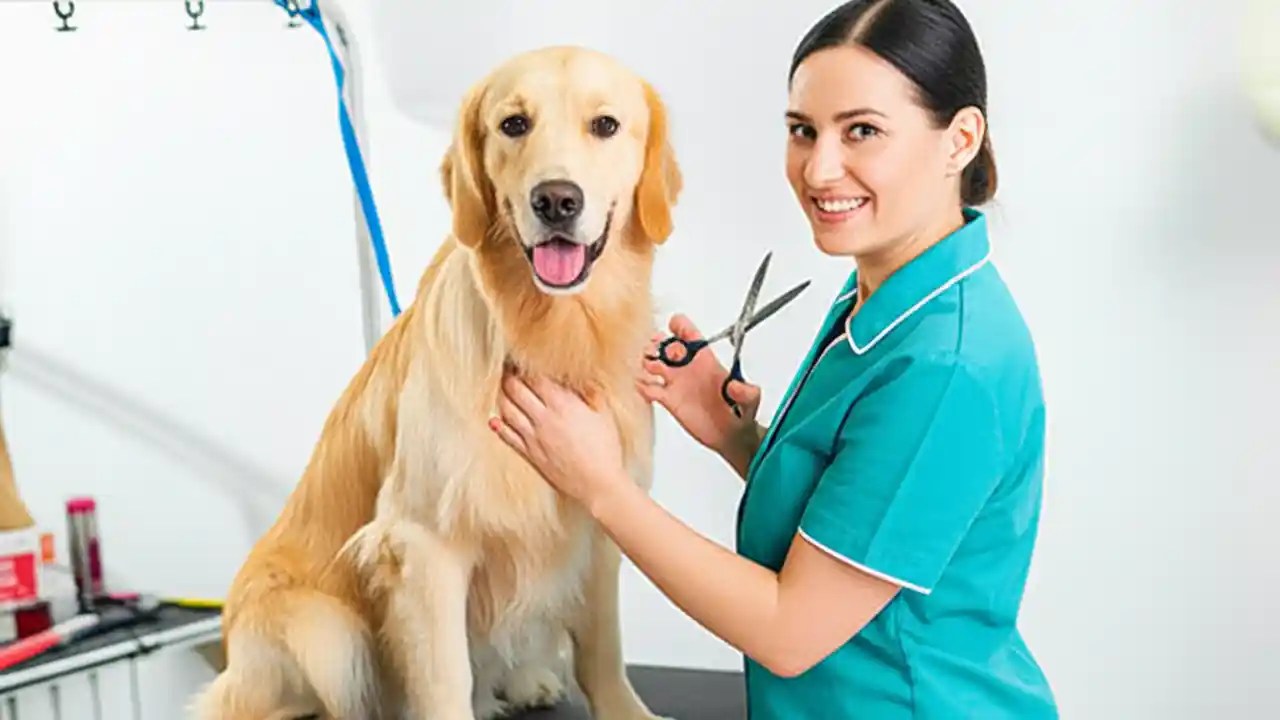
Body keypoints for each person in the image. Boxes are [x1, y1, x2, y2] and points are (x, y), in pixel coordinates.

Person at [489, 0, 1058, 717]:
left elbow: (791, 632)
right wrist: (737, 439)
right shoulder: (886, 294)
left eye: (863, 132)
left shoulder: (947, 366)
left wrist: (604, 488)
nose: (820, 169)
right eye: (803, 131)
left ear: (960, 139)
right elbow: (862, 513)